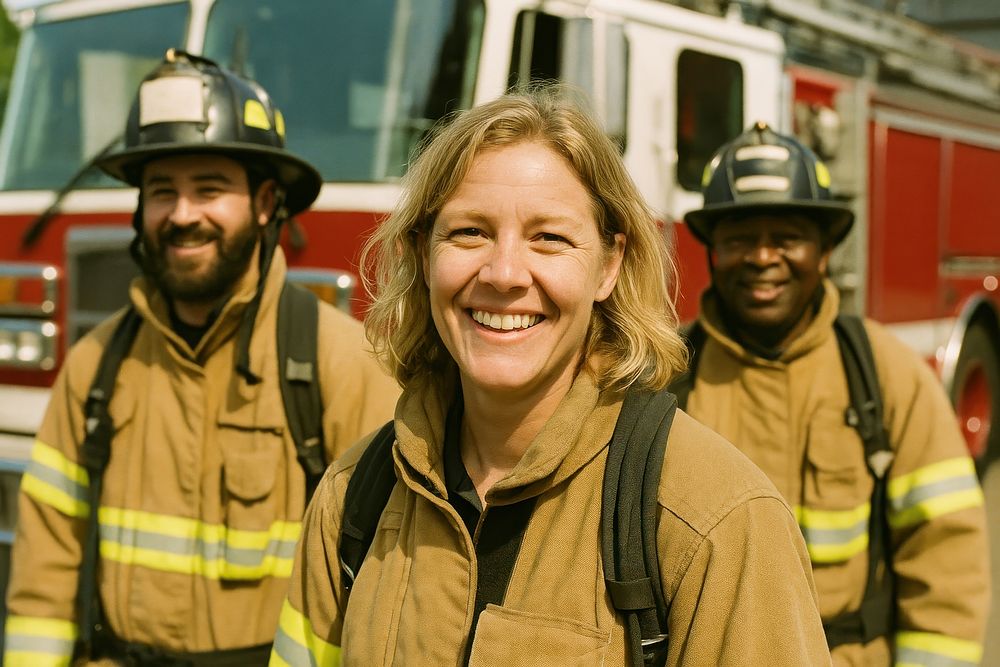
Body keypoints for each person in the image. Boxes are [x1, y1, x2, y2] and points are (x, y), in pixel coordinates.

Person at [268, 89, 831, 666]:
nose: (505, 272)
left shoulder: (719, 519)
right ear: (423, 253)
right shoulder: (352, 495)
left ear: (608, 266)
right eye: (469, 232)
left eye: (550, 238)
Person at [4, 50, 398, 666]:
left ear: (266, 203)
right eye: (163, 192)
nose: (183, 215)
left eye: (209, 189)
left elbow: (392, 586)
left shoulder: (341, 363)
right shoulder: (96, 365)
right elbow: (44, 576)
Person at [680, 121, 989, 665]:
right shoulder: (665, 379)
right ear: (712, 253)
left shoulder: (883, 372)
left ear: (824, 252)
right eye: (739, 239)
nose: (762, 257)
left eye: (788, 238)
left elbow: (947, 560)